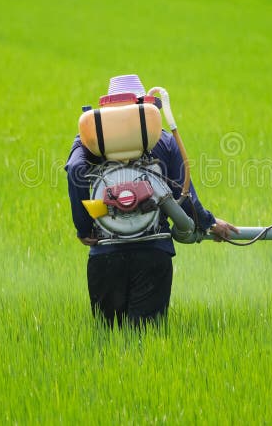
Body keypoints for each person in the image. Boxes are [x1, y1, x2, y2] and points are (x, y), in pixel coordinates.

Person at [65, 75, 238, 327]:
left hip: (105, 253)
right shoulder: (164, 139)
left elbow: (74, 170)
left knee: (108, 340)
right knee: (145, 341)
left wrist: (83, 227)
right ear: (146, 107)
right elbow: (185, 196)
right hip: (153, 251)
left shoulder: (92, 139)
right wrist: (209, 222)